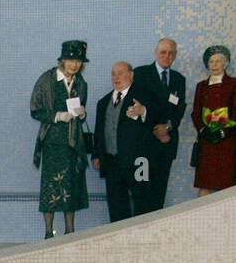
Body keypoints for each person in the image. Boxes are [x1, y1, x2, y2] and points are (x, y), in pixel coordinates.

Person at [30, 40, 90, 238]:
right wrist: (56, 116)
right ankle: (49, 232)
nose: (74, 64)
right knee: (51, 187)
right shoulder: (46, 80)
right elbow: (35, 109)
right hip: (53, 143)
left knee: (71, 185)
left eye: (79, 61)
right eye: (71, 59)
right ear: (62, 60)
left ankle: (70, 231)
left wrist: (82, 114)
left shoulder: (81, 83)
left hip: (73, 144)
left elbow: (80, 110)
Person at [91, 62, 152, 222]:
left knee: (143, 202)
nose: (116, 77)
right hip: (112, 162)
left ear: (131, 75)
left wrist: (143, 111)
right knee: (116, 205)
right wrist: (96, 155)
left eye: (120, 73)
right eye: (113, 74)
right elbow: (99, 132)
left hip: (140, 162)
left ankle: (143, 239)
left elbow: (158, 115)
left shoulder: (144, 95)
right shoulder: (103, 102)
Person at [131, 39, 186, 213]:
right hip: (144, 146)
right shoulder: (140, 74)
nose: (167, 56)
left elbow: (179, 110)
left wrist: (167, 128)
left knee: (158, 195)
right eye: (163, 52)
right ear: (156, 52)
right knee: (141, 194)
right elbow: (135, 107)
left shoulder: (179, 79)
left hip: (166, 145)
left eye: (171, 53)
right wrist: (156, 128)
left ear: (175, 56)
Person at [190, 45, 236, 196]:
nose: (214, 65)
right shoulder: (201, 86)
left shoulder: (234, 84)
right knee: (205, 183)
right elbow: (196, 113)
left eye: (218, 61)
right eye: (211, 61)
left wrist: (222, 132)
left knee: (227, 184)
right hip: (206, 141)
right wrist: (203, 130)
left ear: (225, 63)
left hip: (227, 141)